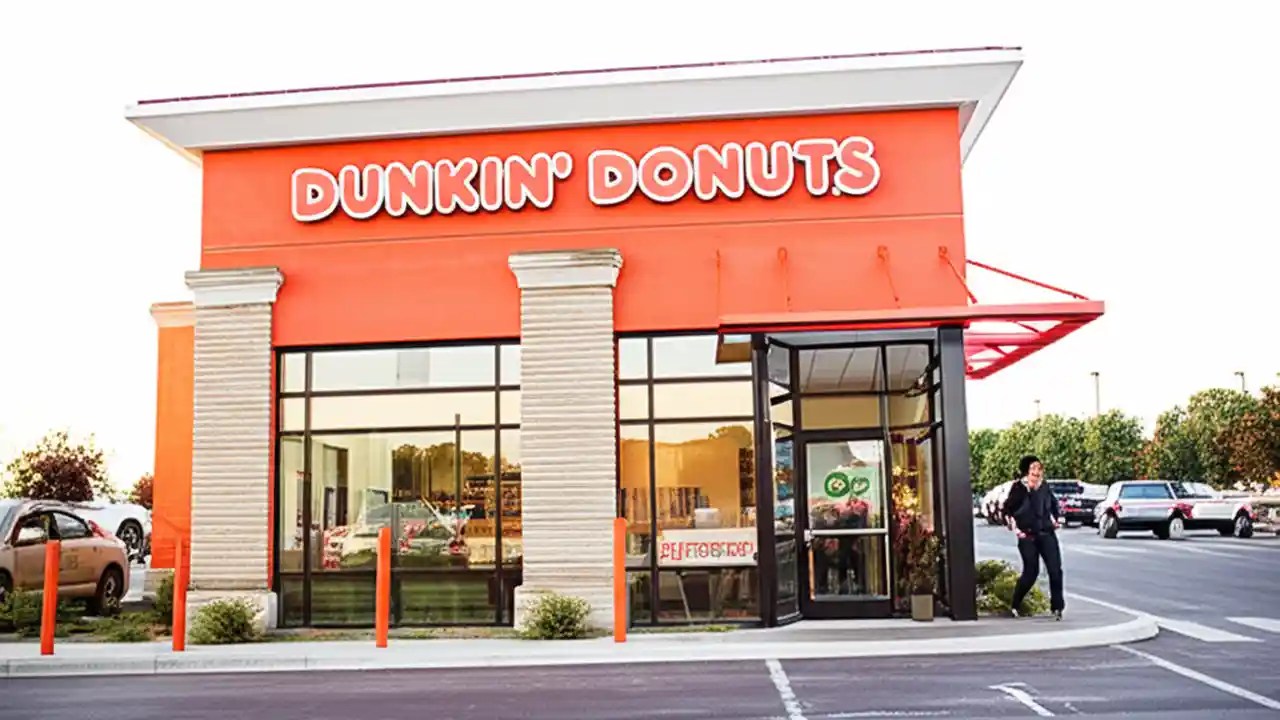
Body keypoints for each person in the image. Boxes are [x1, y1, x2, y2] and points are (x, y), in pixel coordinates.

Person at [1001, 454, 1065, 619]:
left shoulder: (1044, 487)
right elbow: (1007, 509)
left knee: (1055, 570)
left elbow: (1053, 505)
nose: (1037, 472)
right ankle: (1015, 604)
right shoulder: (1019, 488)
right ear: (1026, 471)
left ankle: (1057, 607)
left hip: (1046, 533)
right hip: (1027, 536)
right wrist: (1015, 529)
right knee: (1031, 572)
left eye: (1039, 468)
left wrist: (1057, 519)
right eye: (1033, 468)